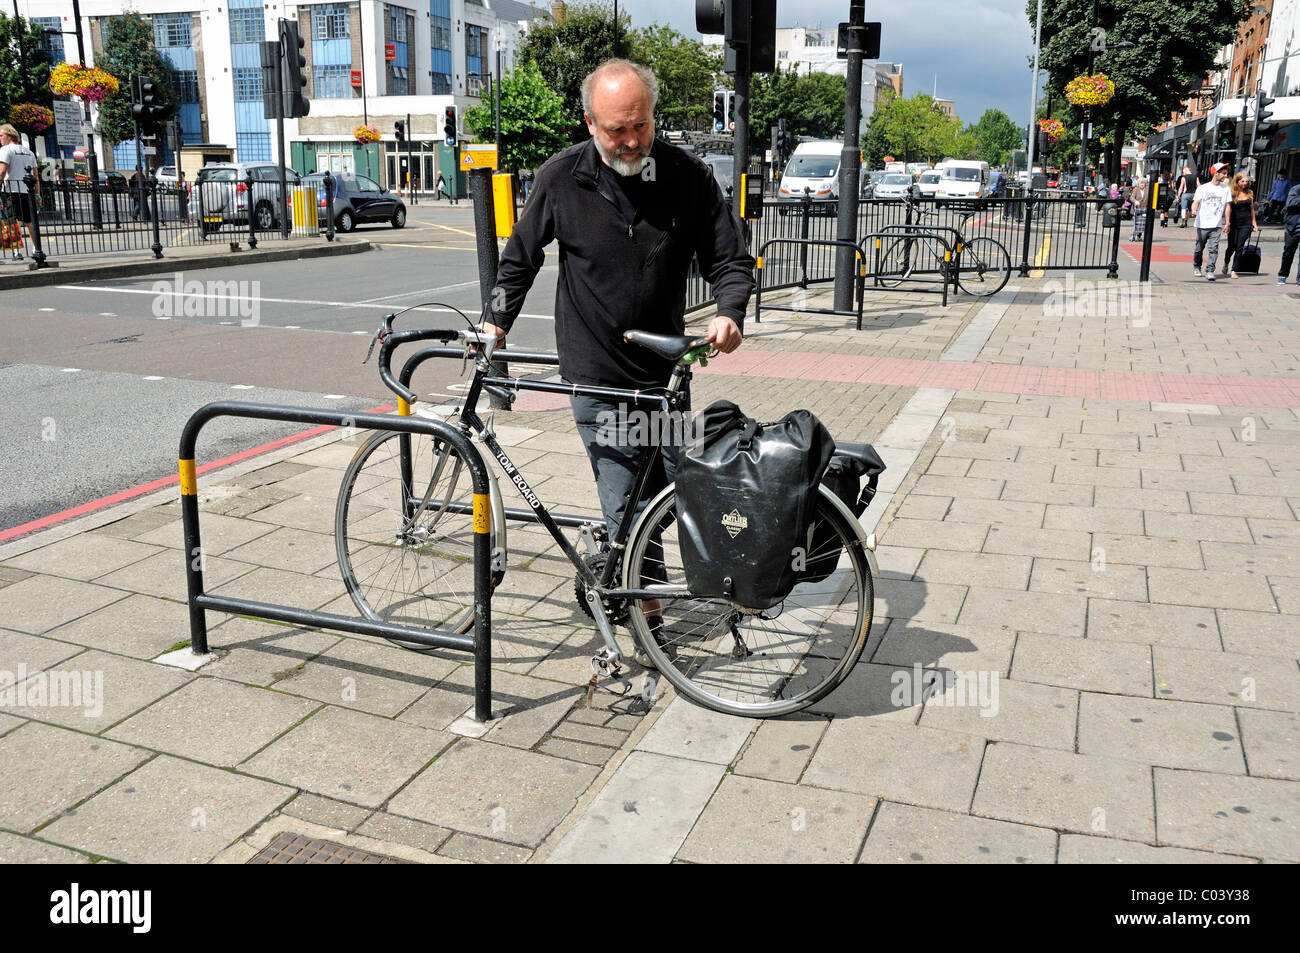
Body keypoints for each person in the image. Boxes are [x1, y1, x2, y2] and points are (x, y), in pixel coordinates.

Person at [482, 59, 754, 664]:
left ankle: (641, 584)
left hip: (665, 367)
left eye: (639, 126)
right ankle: (646, 619)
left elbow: (730, 259)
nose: (630, 142)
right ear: (590, 123)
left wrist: (730, 311)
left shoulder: (685, 176)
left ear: (652, 116)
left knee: (666, 491)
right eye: (615, 131)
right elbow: (519, 258)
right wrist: (495, 321)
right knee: (623, 491)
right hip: (595, 368)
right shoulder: (561, 179)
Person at [0, 124, 39, 258]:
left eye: (1, 135)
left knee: (12, 220)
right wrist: (37, 194)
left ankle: (17, 251)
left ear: (9, 136)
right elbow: (35, 176)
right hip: (27, 191)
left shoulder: (5, 150)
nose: (0, 139)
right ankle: (36, 248)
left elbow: (2, 172)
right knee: (30, 221)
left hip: (11, 190)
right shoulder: (29, 152)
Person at [1191, 162, 1231, 280]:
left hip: (1216, 224)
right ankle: (1197, 266)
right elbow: (1196, 202)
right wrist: (1194, 210)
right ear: (1216, 173)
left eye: (1226, 173)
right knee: (1199, 248)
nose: (1226, 176)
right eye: (1223, 173)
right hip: (1202, 223)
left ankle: (1210, 271)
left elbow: (1228, 207)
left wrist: (1227, 223)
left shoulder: (1226, 189)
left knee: (1213, 249)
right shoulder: (1203, 188)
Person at [1220, 171, 1258, 278]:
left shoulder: (1250, 192)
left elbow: (1251, 209)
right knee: (1231, 246)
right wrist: (1227, 223)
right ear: (1237, 182)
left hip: (1246, 223)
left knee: (1240, 246)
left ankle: (1234, 270)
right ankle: (1226, 263)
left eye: (1246, 181)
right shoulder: (1231, 192)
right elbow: (1228, 208)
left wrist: (1254, 223)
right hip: (1234, 223)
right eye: (1242, 181)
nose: (1245, 183)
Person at [1276, 178, 1300, 285]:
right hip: (1293, 227)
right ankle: (1283, 274)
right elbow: (1291, 203)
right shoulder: (1295, 189)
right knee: (1288, 253)